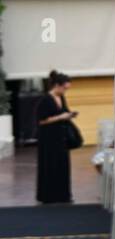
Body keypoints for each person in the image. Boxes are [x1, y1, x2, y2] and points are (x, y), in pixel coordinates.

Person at [36, 70, 78, 204]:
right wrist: (61, 117)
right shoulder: (45, 100)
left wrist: (69, 115)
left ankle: (63, 195)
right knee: (50, 165)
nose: (65, 91)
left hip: (61, 138)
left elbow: (63, 112)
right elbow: (41, 121)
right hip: (48, 138)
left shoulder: (61, 98)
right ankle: (48, 196)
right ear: (57, 85)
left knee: (63, 165)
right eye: (65, 88)